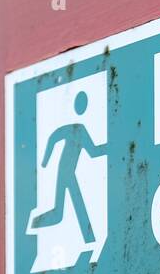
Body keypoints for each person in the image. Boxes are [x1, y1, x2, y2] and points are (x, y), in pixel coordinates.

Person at [29, 90, 106, 243]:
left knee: (64, 210)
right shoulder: (73, 128)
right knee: (61, 212)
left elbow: (93, 152)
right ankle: (33, 224)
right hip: (64, 171)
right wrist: (45, 160)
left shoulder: (82, 129)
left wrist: (111, 147)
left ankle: (89, 238)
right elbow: (53, 137)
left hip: (69, 172)